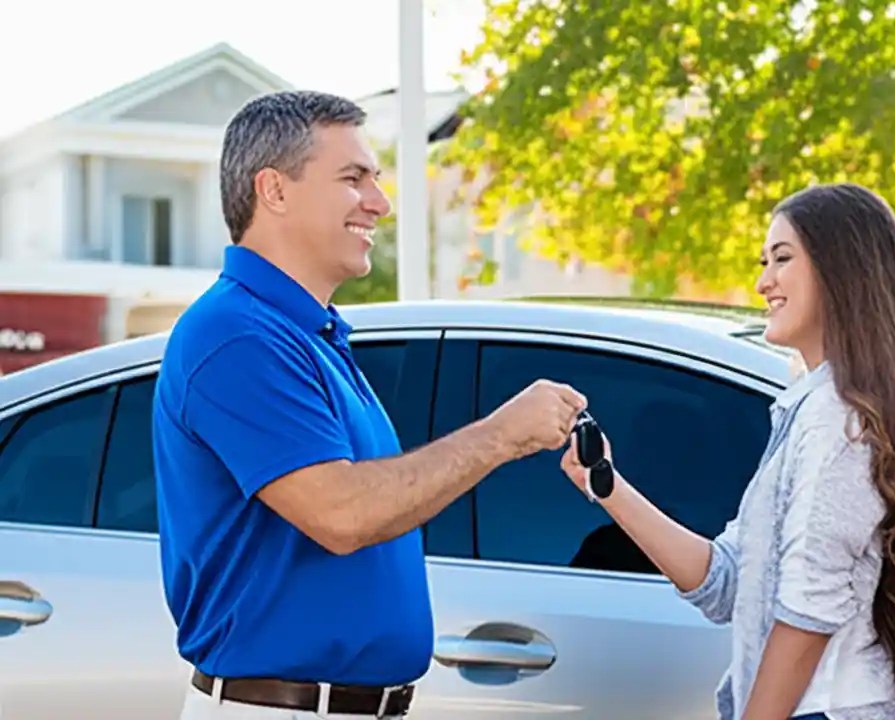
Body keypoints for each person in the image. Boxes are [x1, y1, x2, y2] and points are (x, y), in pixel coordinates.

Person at [153, 90, 587, 719]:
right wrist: (501, 436)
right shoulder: (238, 335)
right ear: (274, 190)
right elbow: (342, 513)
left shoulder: (310, 335)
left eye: (375, 181)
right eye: (353, 179)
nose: (379, 204)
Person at [561, 184, 895, 720]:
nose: (763, 283)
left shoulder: (839, 419)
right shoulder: (813, 409)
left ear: (841, 269)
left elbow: (810, 610)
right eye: (764, 262)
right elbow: (724, 581)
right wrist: (607, 486)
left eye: (782, 259)